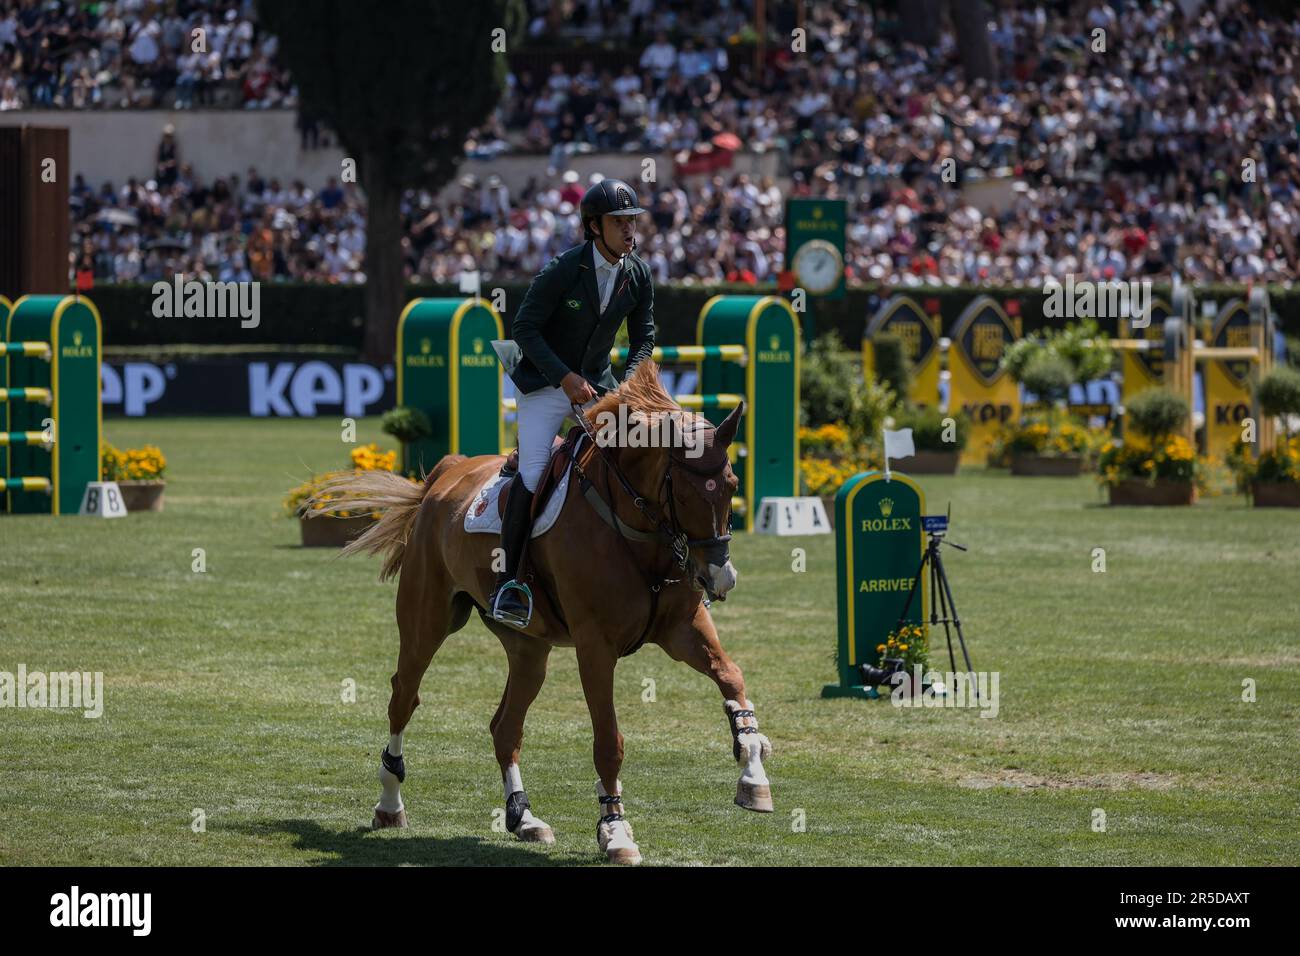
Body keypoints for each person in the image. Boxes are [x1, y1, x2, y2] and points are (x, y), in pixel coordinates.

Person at [489, 178, 655, 627]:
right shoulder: (564, 269)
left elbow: (645, 338)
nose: (629, 229)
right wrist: (564, 378)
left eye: (632, 221)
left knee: (628, 460)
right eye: (618, 222)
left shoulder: (636, 273)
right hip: (545, 385)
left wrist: (628, 386)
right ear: (593, 227)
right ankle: (510, 582)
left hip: (599, 387)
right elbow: (524, 329)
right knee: (535, 471)